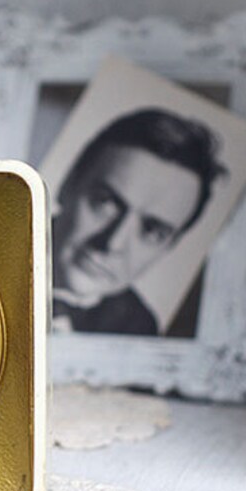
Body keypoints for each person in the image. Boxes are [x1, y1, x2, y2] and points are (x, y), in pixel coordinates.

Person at [52, 108, 226, 335]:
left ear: (169, 247)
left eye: (153, 231)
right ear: (68, 185)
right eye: (105, 203)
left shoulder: (141, 329)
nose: (113, 243)